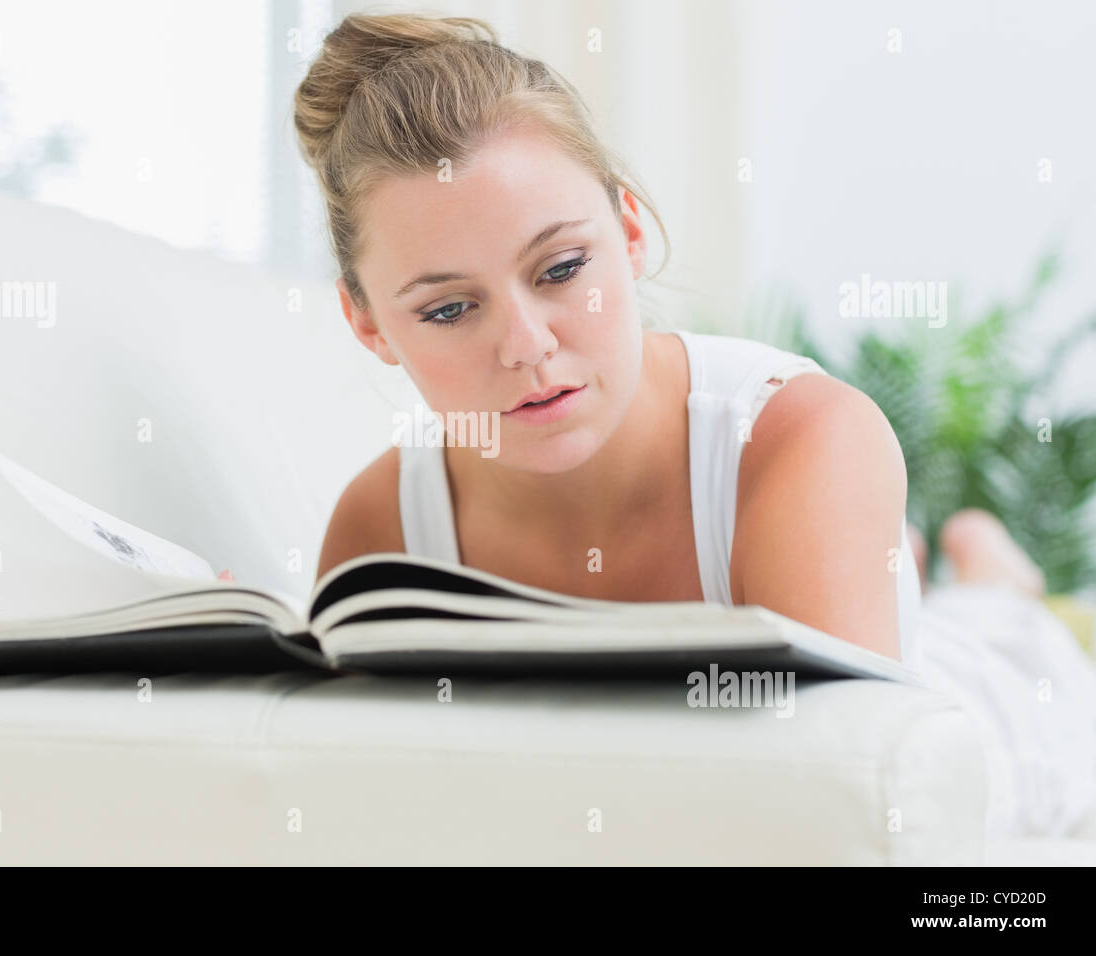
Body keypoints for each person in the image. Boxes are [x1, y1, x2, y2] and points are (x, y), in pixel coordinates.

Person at [272, 10, 1096, 841]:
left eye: (561, 269)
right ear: (369, 322)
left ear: (629, 231)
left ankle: (1000, 589)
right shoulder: (381, 532)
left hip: (987, 714)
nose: (527, 346)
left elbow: (836, 820)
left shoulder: (800, 441)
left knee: (1007, 649)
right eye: (449, 309)